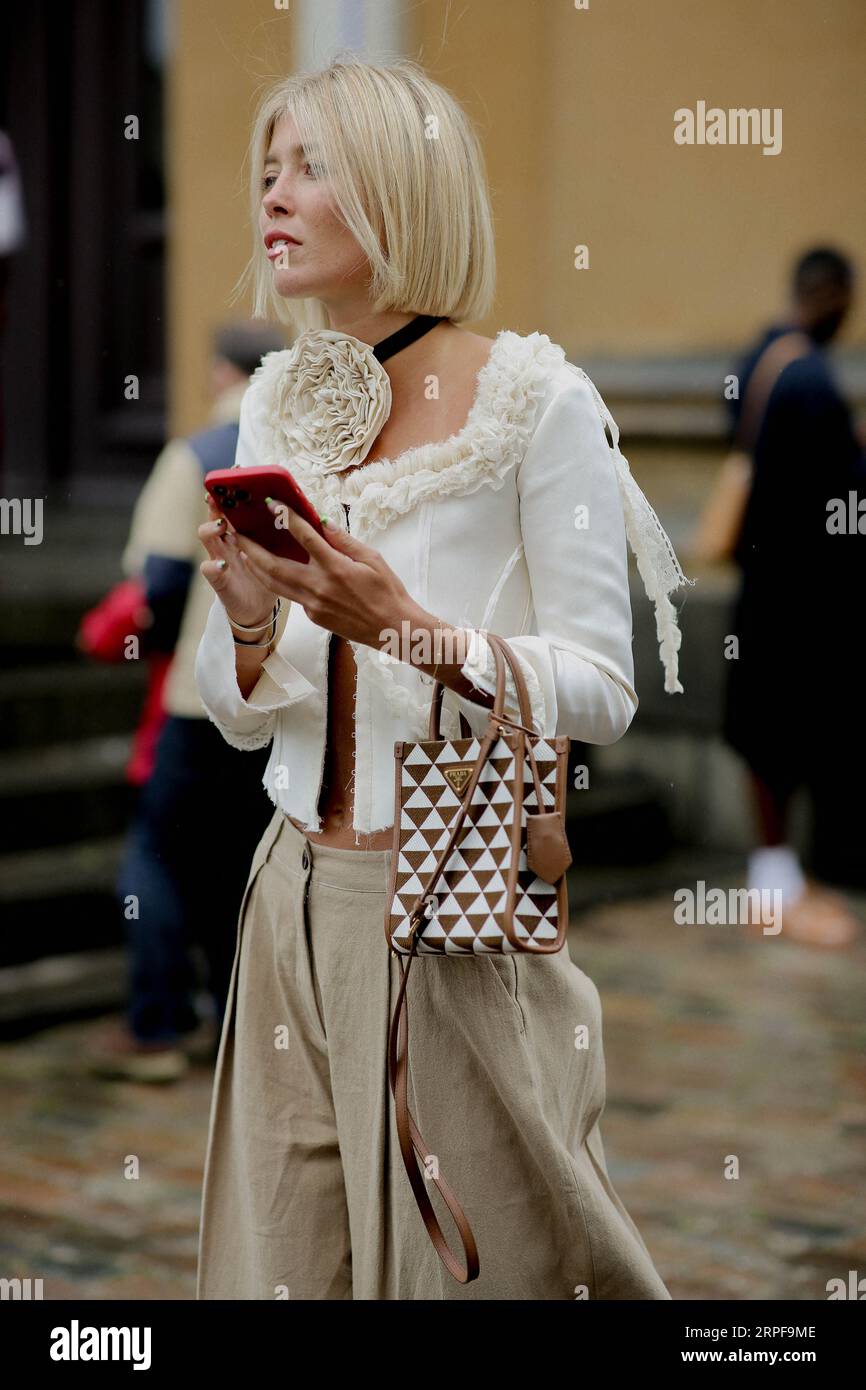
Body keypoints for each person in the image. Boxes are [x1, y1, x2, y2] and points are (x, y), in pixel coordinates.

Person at [193, 55, 686, 1300]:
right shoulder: (273, 407)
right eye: (267, 168)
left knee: (478, 1262)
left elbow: (602, 688)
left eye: (312, 165)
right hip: (289, 884)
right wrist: (250, 625)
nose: (276, 195)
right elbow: (241, 711)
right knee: (277, 1269)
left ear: (402, 185)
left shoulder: (536, 400)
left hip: (452, 900)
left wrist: (408, 628)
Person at [90, 323, 286, 1083]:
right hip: (279, 707)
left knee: (159, 859)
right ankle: (239, 1023)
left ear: (219, 373)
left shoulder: (198, 456)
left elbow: (165, 583)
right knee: (246, 867)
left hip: (198, 706)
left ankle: (157, 1026)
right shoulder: (304, 455)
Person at [723, 248, 865, 948]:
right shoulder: (811, 380)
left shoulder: (757, 362)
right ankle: (781, 885)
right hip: (809, 596)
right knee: (797, 727)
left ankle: (773, 875)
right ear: (833, 294)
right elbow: (843, 499)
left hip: (761, 582)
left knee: (764, 727)